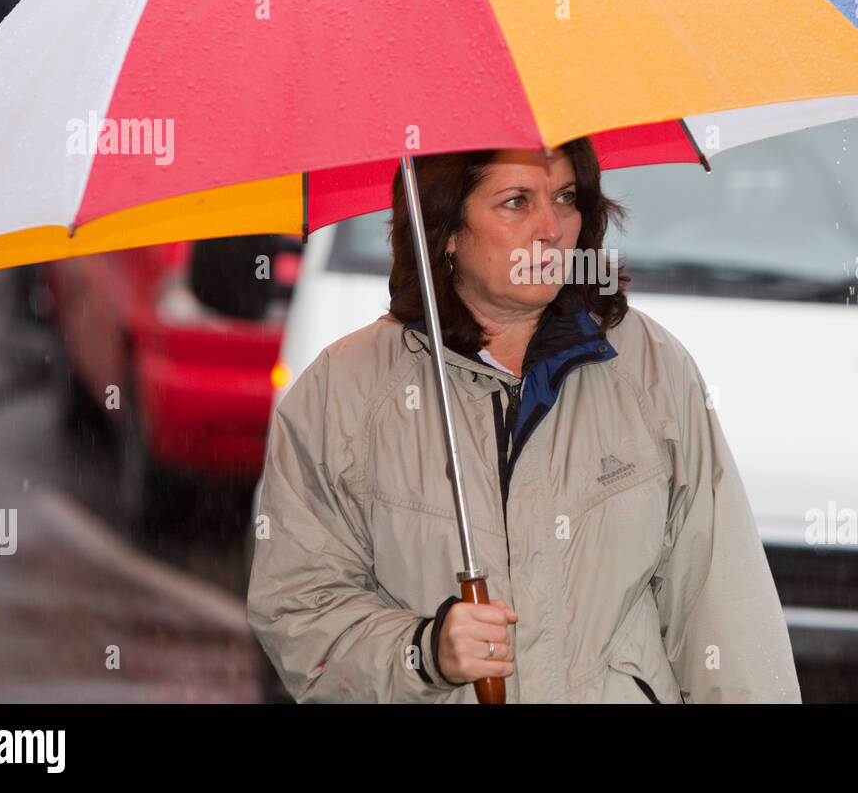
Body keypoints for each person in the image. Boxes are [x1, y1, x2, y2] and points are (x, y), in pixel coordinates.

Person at [246, 137, 801, 703]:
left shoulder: (653, 369)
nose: (552, 227)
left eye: (565, 197)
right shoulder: (339, 394)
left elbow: (725, 607)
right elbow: (299, 614)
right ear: (448, 233)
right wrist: (423, 652)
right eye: (516, 201)